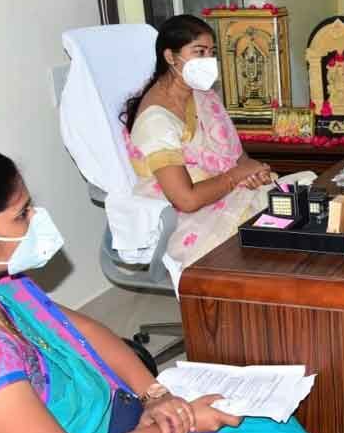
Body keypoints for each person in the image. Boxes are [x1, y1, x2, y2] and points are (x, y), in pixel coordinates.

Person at [0, 146, 336, 433]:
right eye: (22, 215)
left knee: (254, 421)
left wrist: (155, 394)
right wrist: (180, 423)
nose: (37, 220)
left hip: (99, 430)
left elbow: (79, 329)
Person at [121, 15, 312, 283]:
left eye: (211, 53)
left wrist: (251, 173)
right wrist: (236, 176)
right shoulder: (156, 121)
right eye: (199, 52)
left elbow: (237, 158)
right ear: (170, 56)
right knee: (276, 235)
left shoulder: (201, 95)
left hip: (226, 191)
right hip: (194, 216)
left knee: (306, 193)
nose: (208, 61)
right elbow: (186, 200)